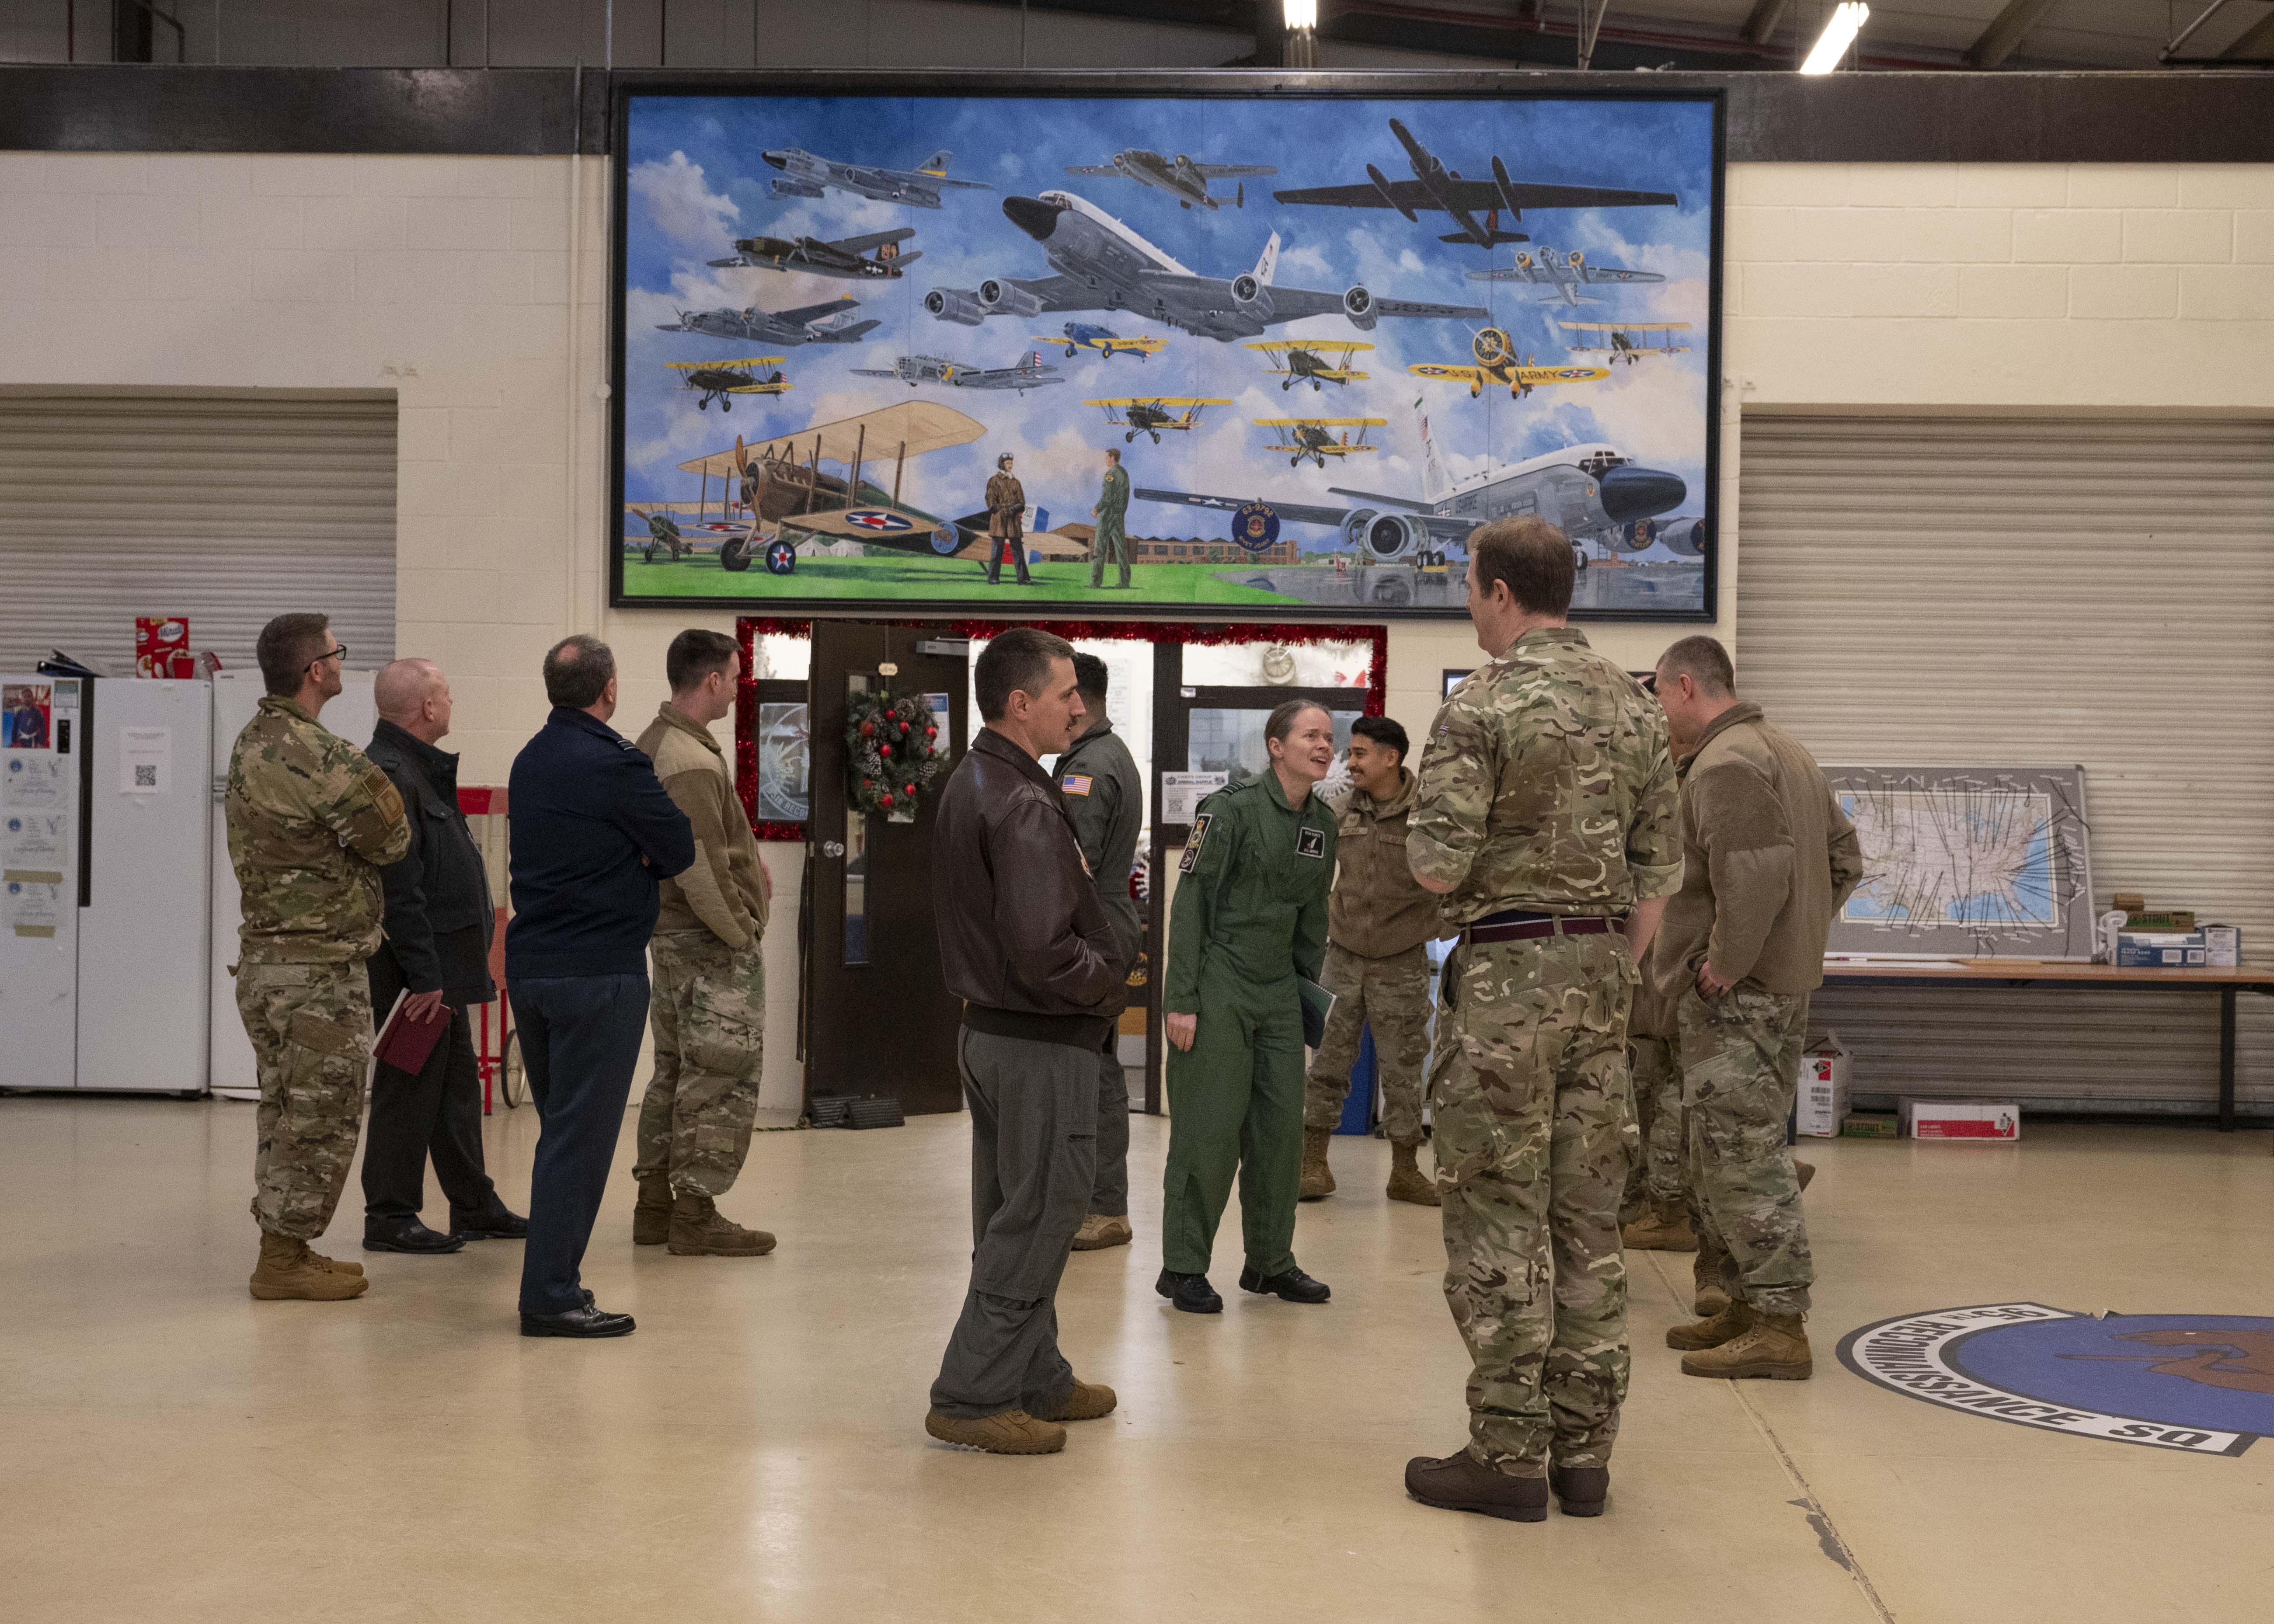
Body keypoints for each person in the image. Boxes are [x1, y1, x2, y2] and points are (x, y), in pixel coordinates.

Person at [1402, 518, 1679, 1523]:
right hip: (1604, 978)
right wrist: (1602, 966)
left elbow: (1434, 864)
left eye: (1471, 587)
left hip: (1503, 994)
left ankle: (1509, 1456)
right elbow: (1660, 878)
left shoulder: (1482, 703)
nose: (1469, 603)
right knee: (1588, 1224)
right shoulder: (1640, 708)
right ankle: (1585, 1457)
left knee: (1499, 1216)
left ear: (1502, 592)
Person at [927, 627, 1126, 1455]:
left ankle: (1033, 1372)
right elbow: (1043, 947)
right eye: (1064, 695)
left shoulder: (978, 778)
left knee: (1014, 1212)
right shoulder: (1022, 800)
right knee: (1039, 1215)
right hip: (1039, 1041)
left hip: (994, 1035)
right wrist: (1111, 980)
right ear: (1020, 704)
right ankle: (973, 1396)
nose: (1077, 708)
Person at [1647, 635, 1863, 1382]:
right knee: (1729, 1149)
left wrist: (1724, 964)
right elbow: (1845, 859)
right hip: (1777, 986)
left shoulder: (1726, 762)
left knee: (1743, 1157)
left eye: (1658, 695)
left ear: (1684, 686)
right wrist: (1796, 934)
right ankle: (1743, 1304)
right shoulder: (1789, 752)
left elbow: (1755, 874)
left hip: (1736, 997)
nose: (1660, 712)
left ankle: (1778, 1322)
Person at [506, 636, 695, 1338]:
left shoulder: (530, 758)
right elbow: (677, 846)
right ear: (608, 689)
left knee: (562, 1133)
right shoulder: (614, 762)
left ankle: (551, 1283)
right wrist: (634, 849)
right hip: (597, 972)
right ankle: (552, 1294)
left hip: (532, 969)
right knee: (579, 1142)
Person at [226, 613, 411, 1302]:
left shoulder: (253, 739)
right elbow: (391, 840)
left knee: (285, 1108)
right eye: (336, 653)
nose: (341, 662)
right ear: (315, 670)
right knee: (320, 1114)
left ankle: (288, 1245)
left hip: (267, 964)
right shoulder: (313, 750)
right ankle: (282, 1259)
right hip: (316, 969)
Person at [1157, 701, 1338, 1316]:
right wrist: (1181, 1000)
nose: (1324, 744)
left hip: (1279, 992)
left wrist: (1304, 995)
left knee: (1281, 1133)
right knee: (1208, 1131)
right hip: (1219, 984)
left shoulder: (1322, 822)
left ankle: (1269, 1261)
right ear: (1275, 745)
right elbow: (1190, 908)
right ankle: (1182, 1266)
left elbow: (1314, 916)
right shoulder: (1228, 811)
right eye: (1310, 735)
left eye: (1328, 737)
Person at [361, 658, 525, 1255]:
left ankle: (474, 1205)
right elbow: (399, 889)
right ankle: (389, 1213)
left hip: (445, 968)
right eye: (447, 695)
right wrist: (424, 977)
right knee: (409, 1087)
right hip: (419, 973)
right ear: (427, 707)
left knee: (454, 1086)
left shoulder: (420, 769)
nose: (452, 704)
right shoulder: (390, 774)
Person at [631, 629, 777, 1259]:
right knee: (720, 1075)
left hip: (676, 941)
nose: (738, 688)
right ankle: (694, 1211)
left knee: (678, 1071)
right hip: (706, 944)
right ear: (711, 679)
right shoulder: (687, 759)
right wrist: (742, 934)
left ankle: (657, 1206)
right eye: (735, 676)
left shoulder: (666, 743)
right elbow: (700, 868)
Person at [1299, 714, 1445, 1208]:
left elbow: (1456, 876)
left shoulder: (1428, 815)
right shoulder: (1338, 810)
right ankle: (1313, 1163)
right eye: (1351, 752)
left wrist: (1440, 924)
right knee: (1327, 1061)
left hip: (1400, 959)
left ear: (1391, 758)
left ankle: (1405, 1170)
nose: (1350, 762)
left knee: (1403, 1066)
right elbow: (1315, 875)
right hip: (1341, 956)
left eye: (1360, 754)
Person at [1056, 652, 1142, 1252]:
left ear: (1078, 700)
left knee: (1093, 1067)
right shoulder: (1104, 755)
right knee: (1089, 1060)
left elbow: (1069, 863)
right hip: (1103, 919)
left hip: (1093, 922)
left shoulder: (1087, 765)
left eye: (1059, 694)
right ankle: (1094, 1198)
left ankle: (1106, 1205)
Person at [985, 453, 1031, 587]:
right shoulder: (994, 480)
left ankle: (1024, 579)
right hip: (999, 520)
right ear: (1002, 464)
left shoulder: (1016, 482)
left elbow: (1022, 503)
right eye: (1008, 463)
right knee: (996, 551)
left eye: (1011, 463)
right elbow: (990, 501)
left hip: (1013, 520)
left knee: (1018, 551)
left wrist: (1013, 510)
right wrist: (1001, 511)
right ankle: (993, 578)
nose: (1011, 465)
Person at [1089, 448, 1131, 590]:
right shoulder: (1124, 473)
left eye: (1107, 458)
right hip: (1119, 516)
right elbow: (1126, 497)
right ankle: (1125, 582)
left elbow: (1107, 498)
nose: (1106, 460)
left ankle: (1095, 583)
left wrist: (1097, 509)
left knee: (1099, 550)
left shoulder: (1110, 475)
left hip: (1107, 516)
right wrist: (1121, 512)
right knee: (1121, 550)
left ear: (1112, 458)